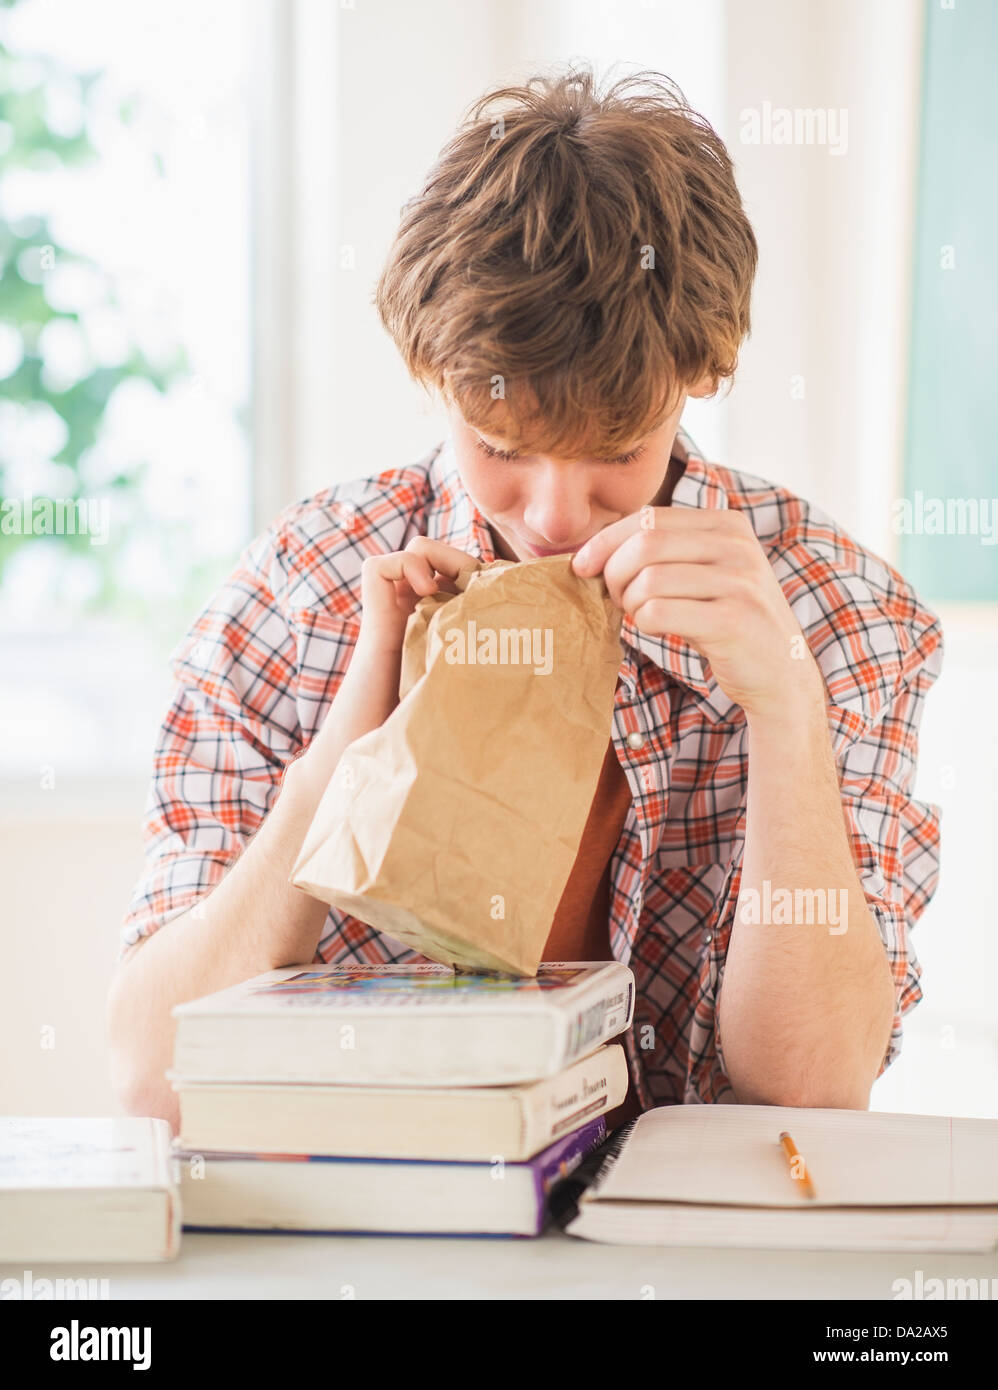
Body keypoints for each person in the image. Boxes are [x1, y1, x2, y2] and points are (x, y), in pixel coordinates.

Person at [107, 66, 942, 1136]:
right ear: (431, 375)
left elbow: (814, 1093)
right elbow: (149, 1080)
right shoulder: (297, 595)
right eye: (500, 446)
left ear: (701, 374)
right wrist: (346, 753)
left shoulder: (838, 615)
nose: (554, 513)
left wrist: (785, 711)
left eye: (613, 452)